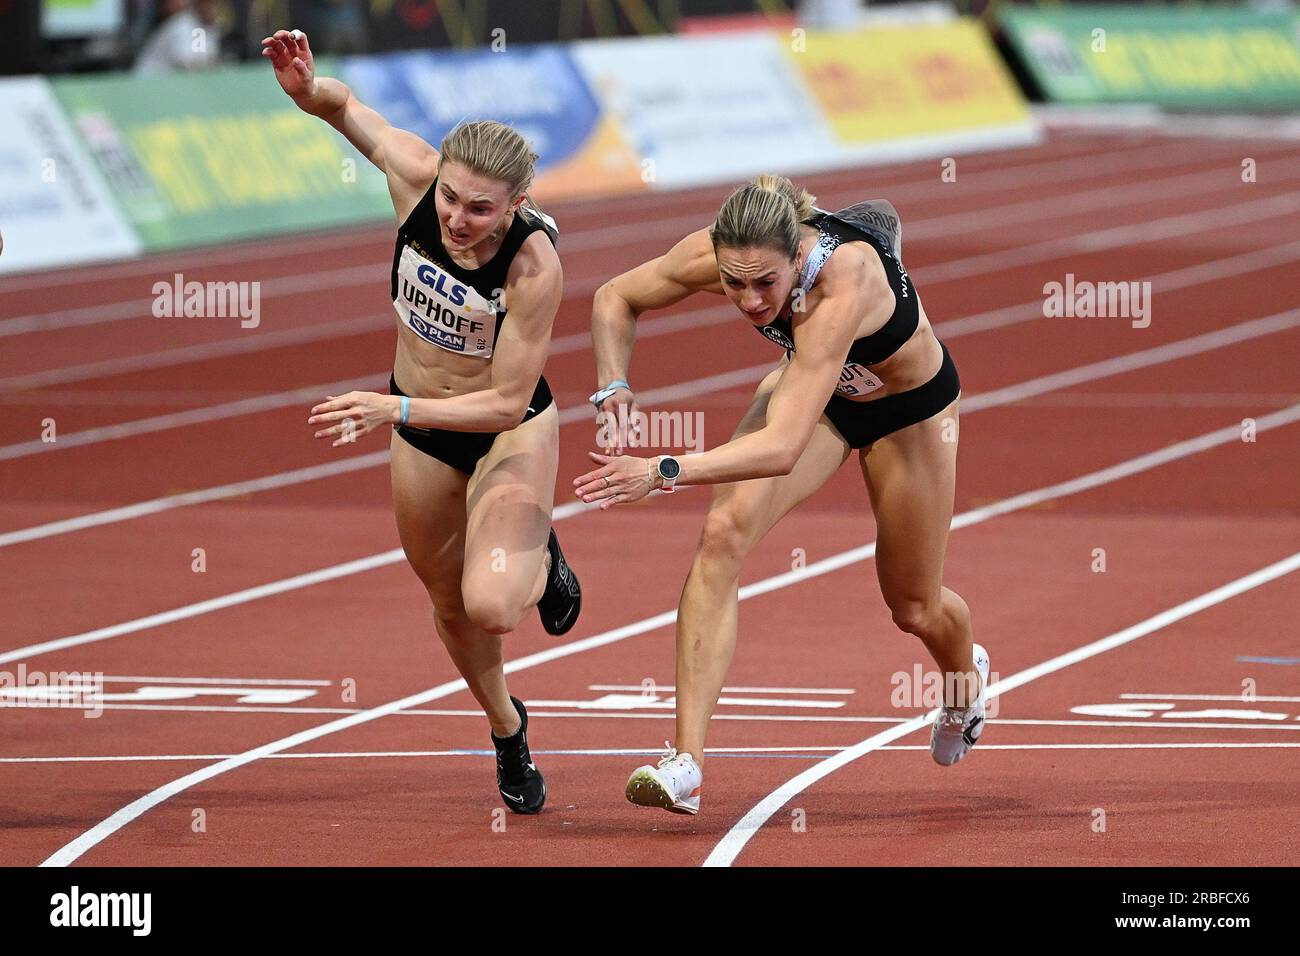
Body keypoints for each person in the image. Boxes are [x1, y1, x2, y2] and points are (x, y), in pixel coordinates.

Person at [578, 175, 988, 815]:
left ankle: (967, 684)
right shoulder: (728, 255)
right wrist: (613, 387)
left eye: (764, 284)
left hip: (907, 413)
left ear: (799, 255)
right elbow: (614, 298)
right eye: (732, 282)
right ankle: (685, 763)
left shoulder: (840, 282)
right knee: (721, 536)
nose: (747, 300)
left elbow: (781, 449)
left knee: (913, 605)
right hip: (817, 394)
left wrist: (660, 470)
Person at [263, 27, 582, 814]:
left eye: (481, 209)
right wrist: (307, 89)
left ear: (517, 205)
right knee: (448, 605)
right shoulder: (412, 175)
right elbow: (346, 109)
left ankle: (542, 553)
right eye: (451, 198)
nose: (459, 219)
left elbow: (508, 399)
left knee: (493, 606)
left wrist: (394, 406)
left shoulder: (534, 267)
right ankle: (508, 732)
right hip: (421, 434)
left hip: (505, 430)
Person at [134, 0, 222, 74]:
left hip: (172, 83)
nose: (211, 9)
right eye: (207, 5)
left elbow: (208, 59)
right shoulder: (181, 24)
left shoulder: (210, 27)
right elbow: (186, 64)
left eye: (214, 5)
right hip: (148, 80)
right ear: (198, 5)